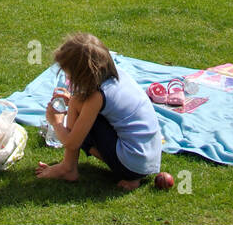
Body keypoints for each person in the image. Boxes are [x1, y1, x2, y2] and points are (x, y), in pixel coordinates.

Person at [35, 33, 163, 190]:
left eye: (68, 74)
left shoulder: (96, 97)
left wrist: (56, 121)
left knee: (77, 104)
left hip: (132, 163)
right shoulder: (117, 76)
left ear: (81, 74)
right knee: (78, 104)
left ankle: (68, 169)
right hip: (148, 158)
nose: (67, 78)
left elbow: (71, 142)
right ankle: (133, 175)